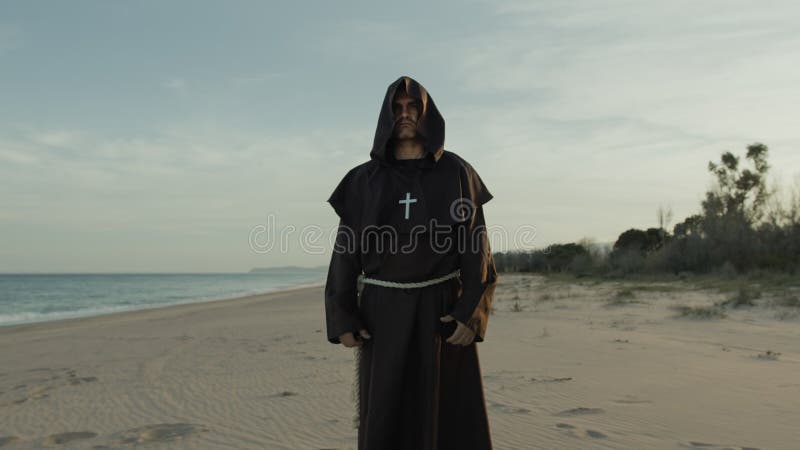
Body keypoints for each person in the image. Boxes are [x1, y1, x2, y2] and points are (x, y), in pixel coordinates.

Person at [324, 75, 498, 450]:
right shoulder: (363, 181)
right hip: (381, 316)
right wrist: (342, 315)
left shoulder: (457, 173)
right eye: (397, 108)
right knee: (386, 411)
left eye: (413, 107)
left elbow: (477, 249)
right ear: (386, 117)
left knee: (448, 414)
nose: (405, 114)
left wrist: (472, 312)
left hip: (441, 313)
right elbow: (344, 253)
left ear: (426, 115)